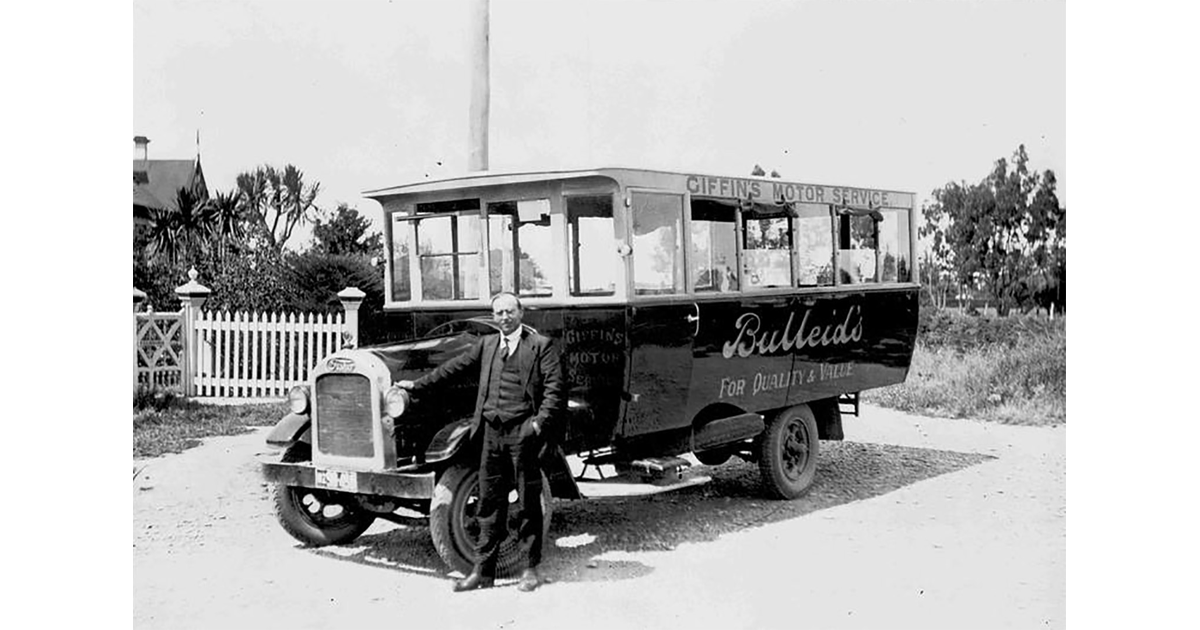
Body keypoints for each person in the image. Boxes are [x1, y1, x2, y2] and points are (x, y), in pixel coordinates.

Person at [396, 292, 564, 592]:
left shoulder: (540, 347)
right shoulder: (486, 345)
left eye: (510, 311)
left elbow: (555, 391)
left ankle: (530, 569)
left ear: (521, 313)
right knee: (489, 505)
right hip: (490, 434)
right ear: (493, 316)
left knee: (527, 504)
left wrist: (536, 425)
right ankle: (482, 573)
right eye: (498, 312)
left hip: (522, 434)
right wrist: (417, 386)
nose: (504, 317)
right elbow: (453, 368)